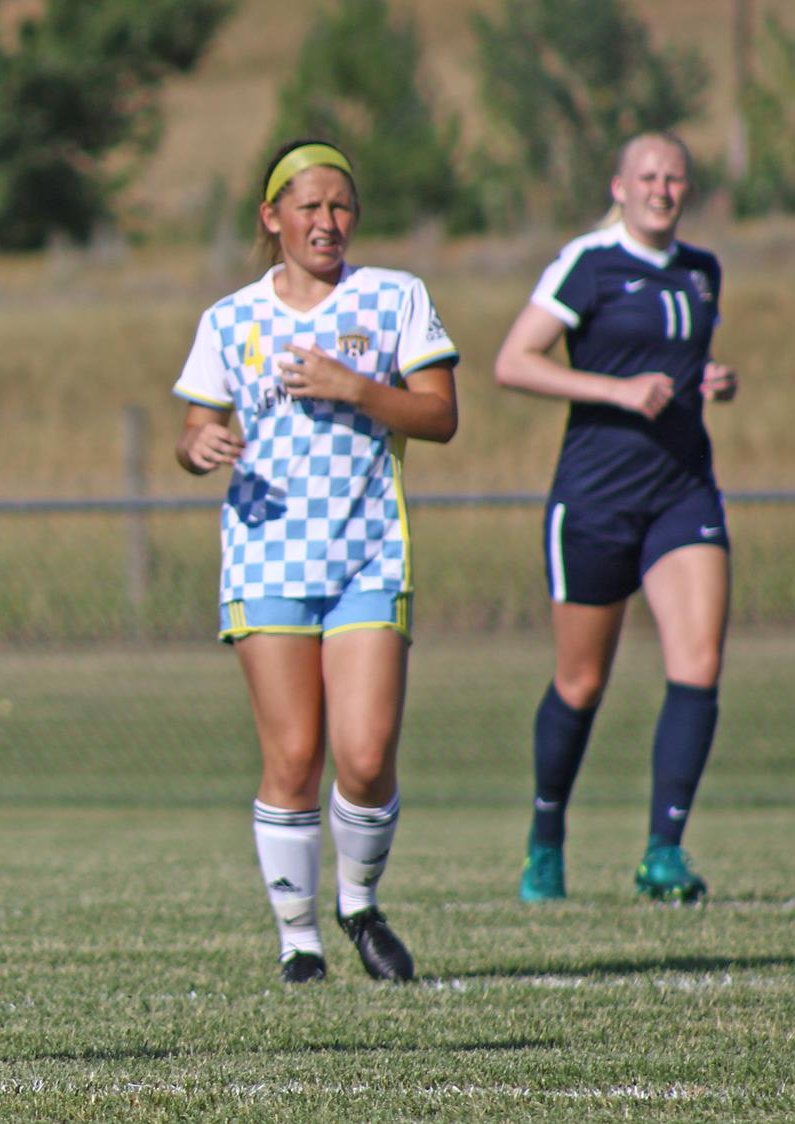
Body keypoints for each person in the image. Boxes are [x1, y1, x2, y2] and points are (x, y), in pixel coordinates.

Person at [172, 139, 458, 984]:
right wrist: (201, 445)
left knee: (365, 757)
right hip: (266, 560)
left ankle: (359, 903)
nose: (327, 221)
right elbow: (193, 430)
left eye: (340, 206)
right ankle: (299, 939)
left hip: (369, 552)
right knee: (294, 756)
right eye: (308, 207)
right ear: (273, 218)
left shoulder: (395, 297)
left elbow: (439, 416)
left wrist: (355, 387)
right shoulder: (230, 317)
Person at [493, 132, 735, 905]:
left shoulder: (703, 272)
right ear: (620, 186)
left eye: (675, 179)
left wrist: (708, 383)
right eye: (649, 177)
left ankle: (663, 851)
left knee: (697, 666)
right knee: (582, 680)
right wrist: (616, 390)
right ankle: (546, 839)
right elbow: (513, 361)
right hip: (595, 498)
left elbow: (678, 368)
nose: (663, 189)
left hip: (682, 491)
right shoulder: (588, 262)